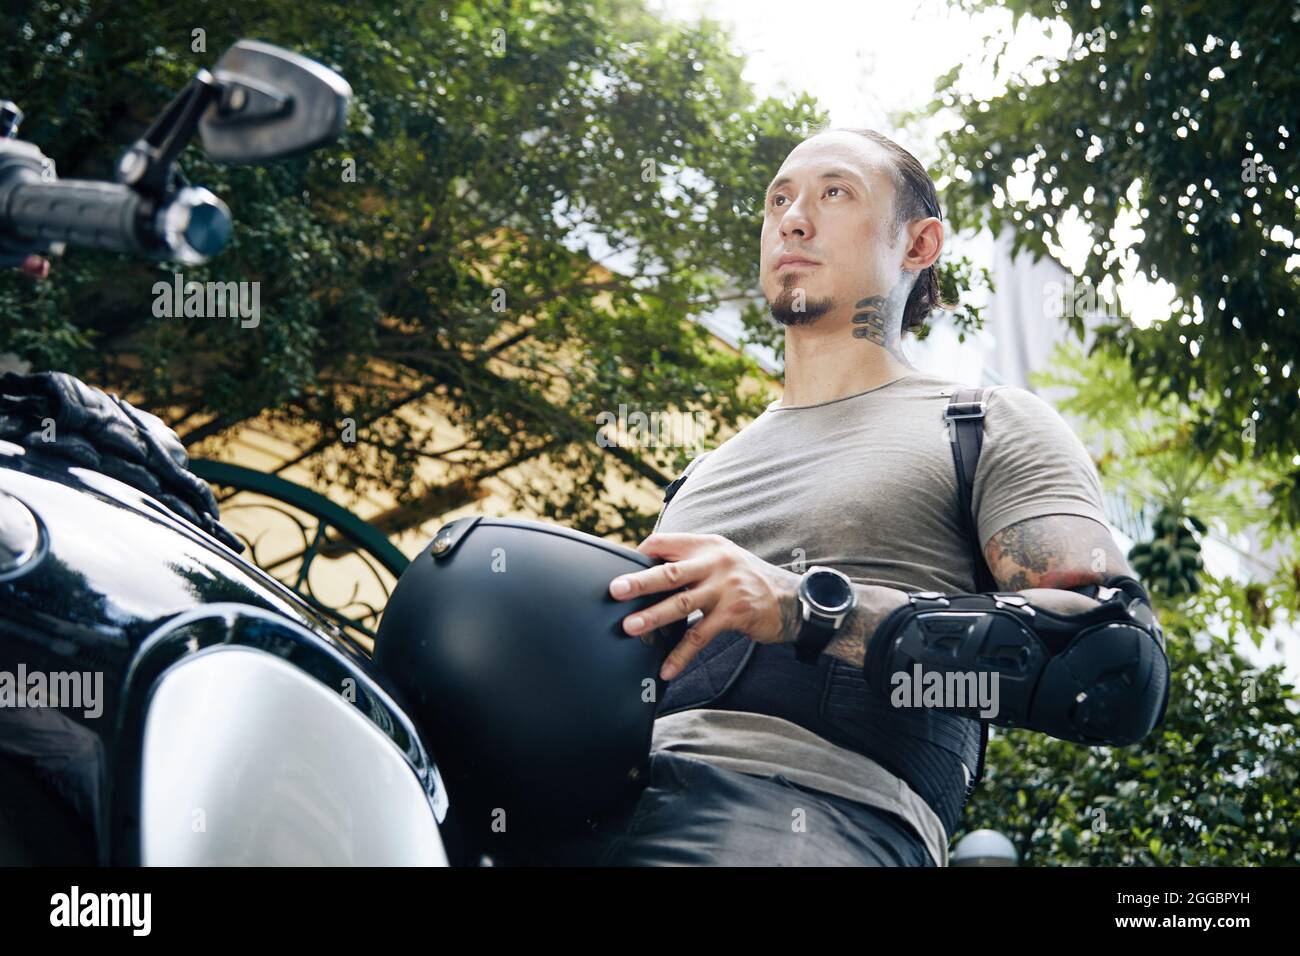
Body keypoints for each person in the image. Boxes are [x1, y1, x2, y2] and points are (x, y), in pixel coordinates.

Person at [504, 127, 1168, 867]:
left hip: (817, 817)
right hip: (586, 815)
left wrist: (803, 608)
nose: (792, 217)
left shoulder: (981, 423)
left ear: (919, 244)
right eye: (778, 199)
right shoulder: (697, 476)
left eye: (834, 192)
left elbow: (1114, 665)